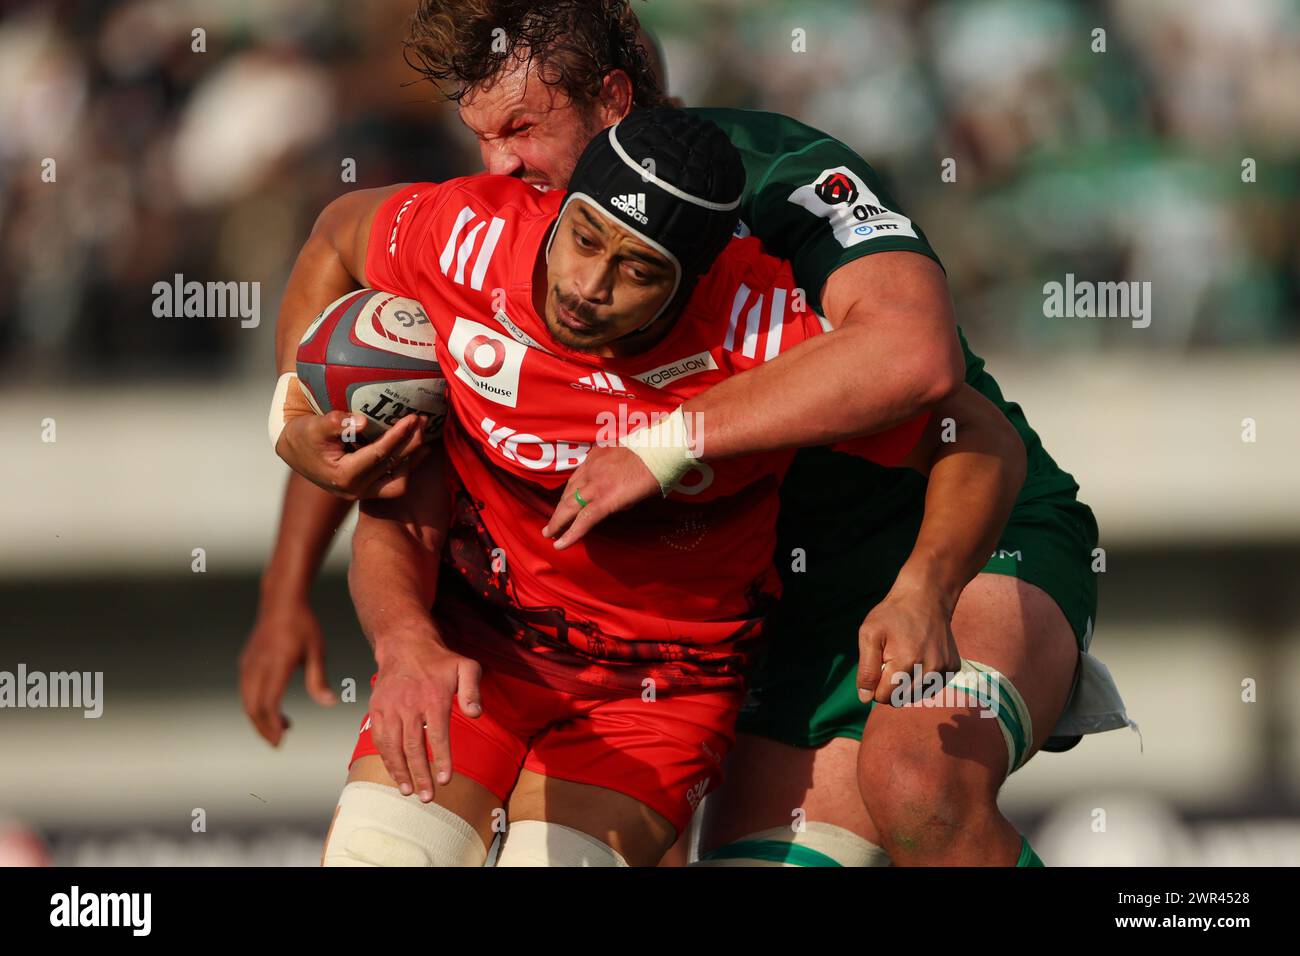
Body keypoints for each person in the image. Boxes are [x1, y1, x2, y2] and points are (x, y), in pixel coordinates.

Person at [250, 0, 1128, 867]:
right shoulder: (490, 234)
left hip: (946, 534)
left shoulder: (782, 189)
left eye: (521, 128)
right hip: (765, 601)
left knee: (918, 788)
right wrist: (291, 479)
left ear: (614, 102)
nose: (499, 162)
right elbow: (360, 342)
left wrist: (665, 441)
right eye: (479, 135)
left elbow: (918, 357)